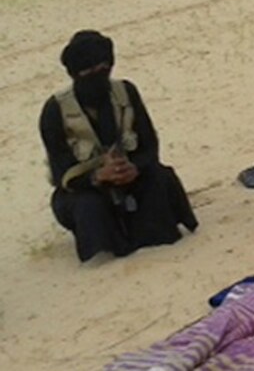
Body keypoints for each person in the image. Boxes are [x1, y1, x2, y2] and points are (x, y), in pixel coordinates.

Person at [40, 31, 197, 262]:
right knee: (88, 206)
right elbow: (61, 173)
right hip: (88, 188)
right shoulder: (55, 110)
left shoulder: (126, 92)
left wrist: (135, 168)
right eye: (89, 72)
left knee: (159, 179)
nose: (98, 77)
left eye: (104, 69)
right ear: (75, 74)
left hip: (131, 178)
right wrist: (97, 177)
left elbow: (149, 146)